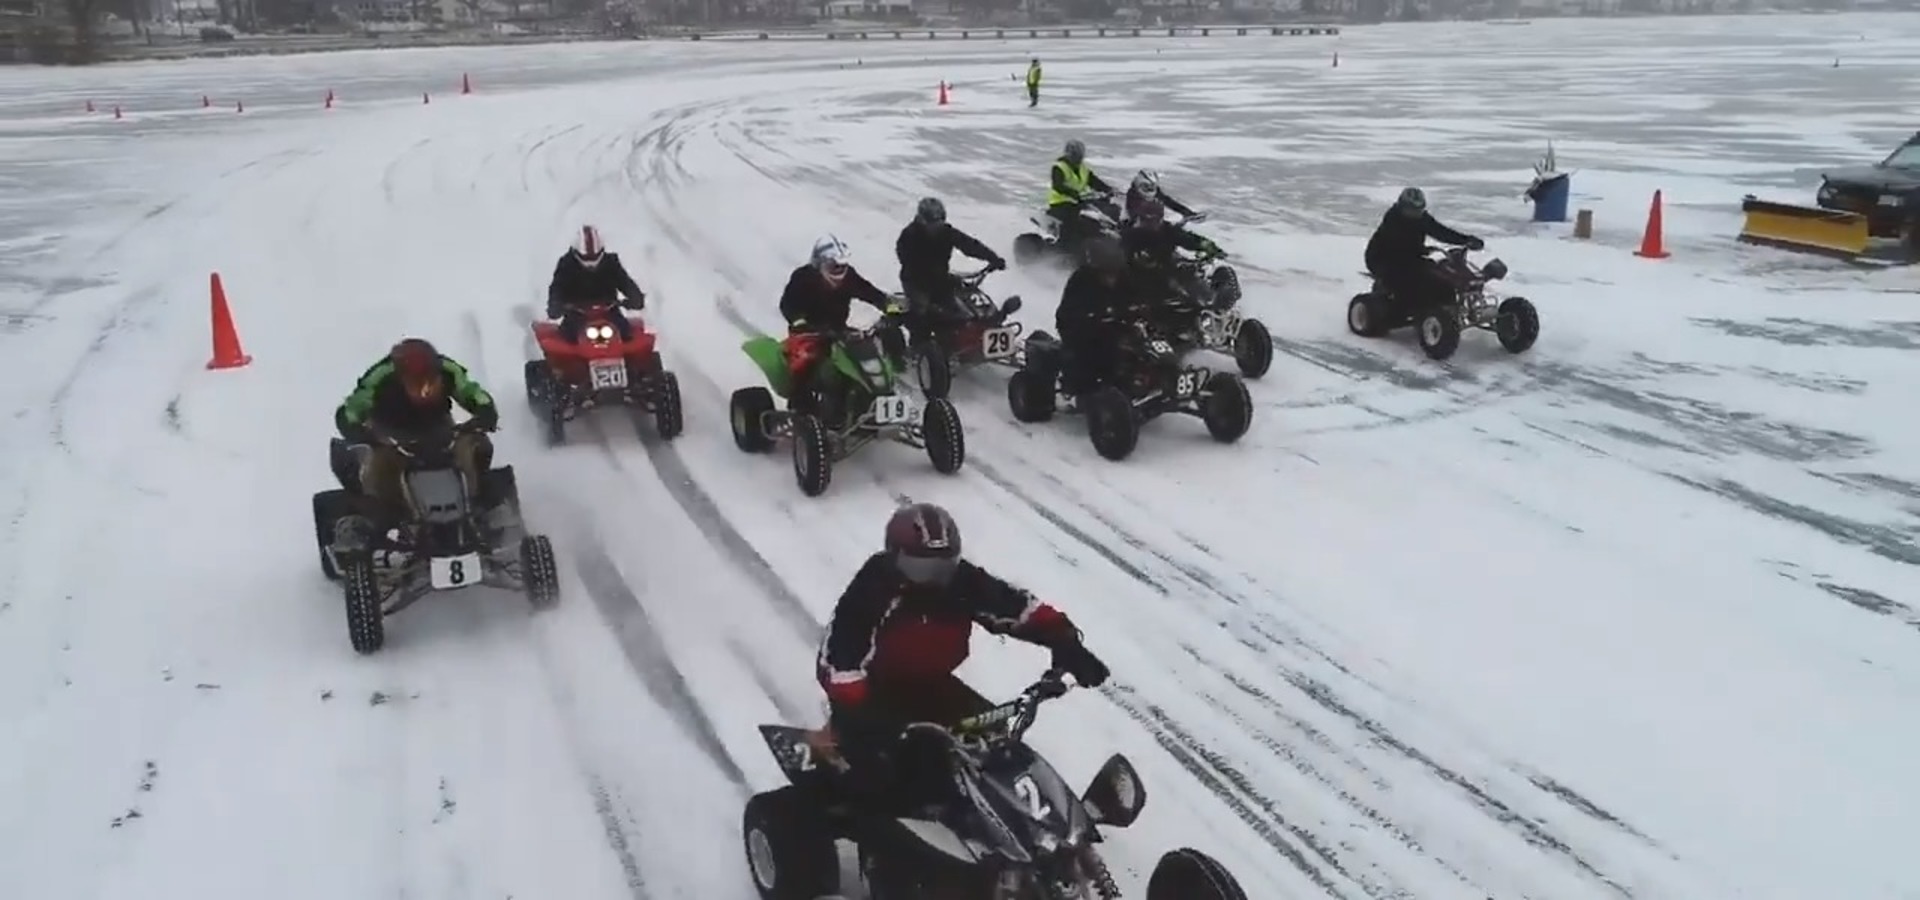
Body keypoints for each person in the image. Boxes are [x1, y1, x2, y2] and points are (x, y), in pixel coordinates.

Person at [812, 502, 1110, 811]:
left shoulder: (960, 582)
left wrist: (1063, 639)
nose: (934, 578)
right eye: (921, 568)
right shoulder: (872, 591)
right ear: (894, 558)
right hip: (872, 693)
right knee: (898, 779)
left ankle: (1031, 820)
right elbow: (841, 653)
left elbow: (1014, 606)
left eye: (944, 566)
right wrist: (860, 707)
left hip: (931, 684)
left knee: (999, 748)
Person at [334, 338, 501, 524]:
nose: (425, 389)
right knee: (378, 468)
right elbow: (353, 408)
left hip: (438, 428)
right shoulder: (380, 376)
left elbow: (470, 391)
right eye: (415, 382)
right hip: (389, 431)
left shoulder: (448, 369)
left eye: (431, 380)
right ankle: (385, 517)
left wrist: (485, 412)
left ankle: (476, 504)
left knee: (475, 447)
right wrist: (358, 430)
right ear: (400, 377)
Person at [778, 235, 902, 411]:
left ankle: (873, 398)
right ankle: (801, 408)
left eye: (842, 266)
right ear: (819, 264)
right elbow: (787, 304)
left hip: (838, 330)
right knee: (806, 364)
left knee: (865, 351)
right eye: (833, 267)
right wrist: (799, 321)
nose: (839, 272)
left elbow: (869, 291)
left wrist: (890, 306)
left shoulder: (848, 277)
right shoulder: (802, 278)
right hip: (807, 333)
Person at [894, 197, 1006, 347]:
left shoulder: (947, 232)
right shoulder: (909, 235)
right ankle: (919, 347)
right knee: (922, 312)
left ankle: (968, 339)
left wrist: (993, 258)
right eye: (933, 223)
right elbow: (906, 260)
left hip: (940, 279)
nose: (937, 227)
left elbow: (969, 245)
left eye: (940, 222)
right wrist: (928, 272)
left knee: (964, 307)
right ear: (922, 220)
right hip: (915, 281)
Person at [1363, 187, 1484, 317]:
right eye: (1411, 210)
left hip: (1410, 257)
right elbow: (1397, 245)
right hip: (1382, 259)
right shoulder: (1393, 220)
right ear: (1402, 207)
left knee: (1441, 276)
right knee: (1414, 282)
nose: (1415, 214)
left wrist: (1466, 240)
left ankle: (1444, 308)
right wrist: (1421, 250)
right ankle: (1405, 309)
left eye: (1419, 210)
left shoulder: (1422, 218)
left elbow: (1441, 231)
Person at [1055, 237, 1148, 398]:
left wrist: (1139, 309)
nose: (1111, 279)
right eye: (1107, 273)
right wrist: (1093, 316)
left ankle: (1140, 381)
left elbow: (1138, 298)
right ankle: (1091, 390)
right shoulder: (1081, 279)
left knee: (1140, 344)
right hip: (1079, 327)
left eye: (1114, 273)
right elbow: (1069, 311)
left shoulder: (1124, 278)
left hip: (1114, 324)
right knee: (1100, 351)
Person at [547, 224, 647, 343]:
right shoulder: (566, 265)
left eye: (595, 257)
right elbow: (557, 288)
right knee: (567, 341)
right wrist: (556, 305)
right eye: (586, 258)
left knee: (627, 336)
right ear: (575, 252)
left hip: (609, 312)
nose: (591, 263)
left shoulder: (611, 263)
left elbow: (625, 281)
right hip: (576, 315)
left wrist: (635, 297)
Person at [1121, 197, 1222, 306]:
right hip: (1137, 278)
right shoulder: (1130, 235)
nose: (1150, 223)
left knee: (1191, 280)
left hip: (1168, 271)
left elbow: (1189, 239)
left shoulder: (1168, 230)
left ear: (1160, 218)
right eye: (1146, 219)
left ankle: (1214, 307)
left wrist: (1207, 245)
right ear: (1139, 218)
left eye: (1154, 219)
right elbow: (1118, 256)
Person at [1045, 139, 1115, 251]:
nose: (1077, 159)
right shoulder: (1059, 167)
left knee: (1099, 212)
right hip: (1060, 203)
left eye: (1079, 156)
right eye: (1075, 156)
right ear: (1068, 154)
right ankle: (1064, 247)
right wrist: (1073, 193)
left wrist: (1109, 190)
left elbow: (1093, 181)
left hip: (1079, 202)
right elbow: (1058, 185)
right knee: (1074, 221)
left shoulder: (1083, 168)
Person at [1123, 169, 1199, 224]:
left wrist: (1186, 212)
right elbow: (1133, 213)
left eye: (1152, 186)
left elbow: (1169, 202)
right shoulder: (1133, 196)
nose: (1150, 189)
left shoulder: (1155, 193)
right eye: (1146, 186)